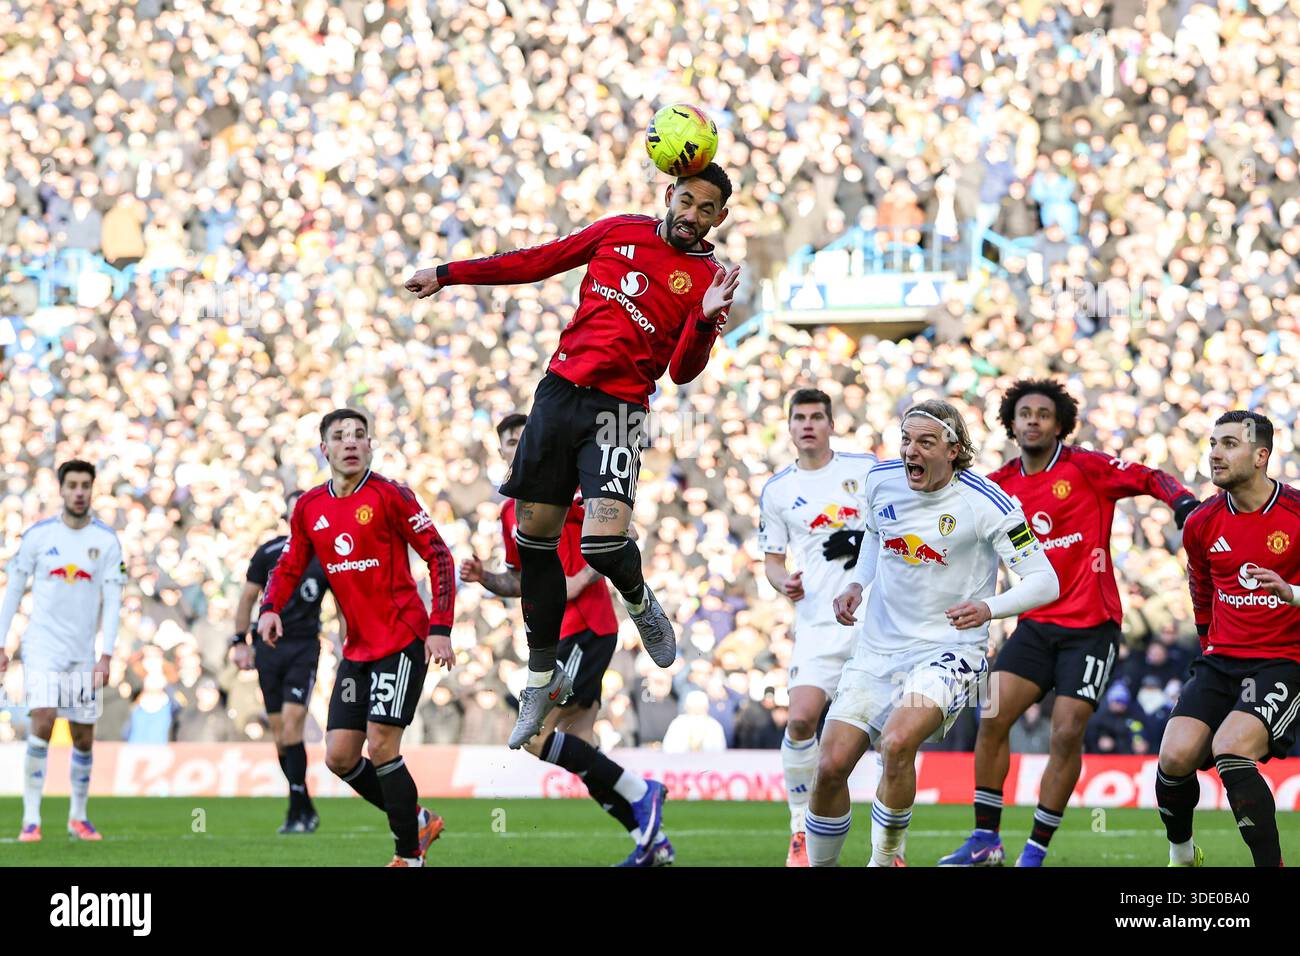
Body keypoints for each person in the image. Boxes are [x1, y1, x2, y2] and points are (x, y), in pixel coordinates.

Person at [405, 163, 742, 749]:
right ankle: (540, 677)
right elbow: (539, 260)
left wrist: (706, 320)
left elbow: (683, 372)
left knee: (602, 543)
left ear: (720, 217)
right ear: (669, 194)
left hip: (621, 408)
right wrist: (448, 273)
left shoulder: (711, 279)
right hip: (559, 395)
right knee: (535, 540)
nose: (692, 215)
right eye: (686, 201)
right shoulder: (618, 230)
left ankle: (639, 600)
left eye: (706, 209)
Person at [941, 379, 1198, 867]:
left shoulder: (1087, 467)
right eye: (1024, 413)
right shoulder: (998, 485)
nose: (1033, 421)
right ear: (1011, 423)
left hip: (1091, 628)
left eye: (1043, 413)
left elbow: (1150, 476)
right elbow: (948, 522)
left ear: (1060, 423)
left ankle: (1035, 851)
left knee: (1065, 732)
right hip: (1034, 626)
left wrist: (1182, 502)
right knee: (991, 715)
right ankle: (986, 840)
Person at [807, 400, 1060, 868]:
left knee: (897, 742)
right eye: (906, 440)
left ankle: (885, 859)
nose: (911, 451)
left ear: (953, 449)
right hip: (878, 649)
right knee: (829, 767)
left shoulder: (988, 503)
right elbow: (875, 535)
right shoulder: (881, 480)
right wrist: (857, 584)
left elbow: (1046, 581)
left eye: (925, 442)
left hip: (949, 650)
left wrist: (989, 608)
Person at [460, 414, 672, 866]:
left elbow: (621, 533)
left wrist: (580, 578)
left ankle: (642, 791)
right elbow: (521, 580)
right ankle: (649, 838)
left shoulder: (565, 488)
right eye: (510, 441)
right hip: (558, 634)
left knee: (536, 737)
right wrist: (485, 578)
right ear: (500, 451)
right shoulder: (509, 512)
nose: (518, 446)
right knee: (583, 748)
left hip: (585, 627)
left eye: (524, 438)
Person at [257, 409, 456, 867]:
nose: (350, 442)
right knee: (341, 757)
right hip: (358, 649)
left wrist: (440, 627)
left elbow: (439, 556)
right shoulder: (310, 507)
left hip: (402, 637)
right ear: (324, 448)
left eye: (359, 435)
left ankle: (408, 856)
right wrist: (270, 608)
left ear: (370, 446)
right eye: (340, 436)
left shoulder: (391, 496)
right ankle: (419, 820)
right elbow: (289, 564)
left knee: (382, 745)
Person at [1157, 411, 1300, 868]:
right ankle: (1182, 857)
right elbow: (1201, 592)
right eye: (1214, 443)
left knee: (1232, 750)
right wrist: (1208, 646)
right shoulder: (1201, 522)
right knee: (1174, 756)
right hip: (1220, 661)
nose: (1216, 453)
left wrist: (1293, 593)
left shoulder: (1296, 513)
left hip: (1282, 660)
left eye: (1230, 444)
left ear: (1261, 456)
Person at [758, 387, 876, 866]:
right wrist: (782, 581)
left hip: (876, 622)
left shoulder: (866, 470)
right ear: (789, 427)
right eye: (800, 417)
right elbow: (772, 561)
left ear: (831, 424)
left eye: (816, 417)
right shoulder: (778, 490)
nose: (808, 424)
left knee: (891, 736)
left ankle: (889, 850)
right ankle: (798, 829)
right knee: (802, 719)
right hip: (816, 623)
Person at [0, 460, 125, 842]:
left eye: (85, 485)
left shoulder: (106, 541)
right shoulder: (38, 536)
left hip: (82, 651)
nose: (79, 492)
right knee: (43, 717)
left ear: (92, 489)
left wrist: (106, 655)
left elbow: (114, 599)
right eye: (72, 485)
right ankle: (31, 819)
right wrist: (1, 643)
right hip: (43, 646)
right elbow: (13, 589)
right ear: (61, 489)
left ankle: (78, 816)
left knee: (82, 736)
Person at [233, 490, 340, 834]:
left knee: (293, 725)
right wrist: (239, 642)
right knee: (280, 735)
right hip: (268, 648)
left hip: (303, 648)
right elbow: (247, 598)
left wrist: (348, 646)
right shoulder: (268, 553)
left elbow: (342, 605)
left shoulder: (326, 555)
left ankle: (297, 811)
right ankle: (303, 805)